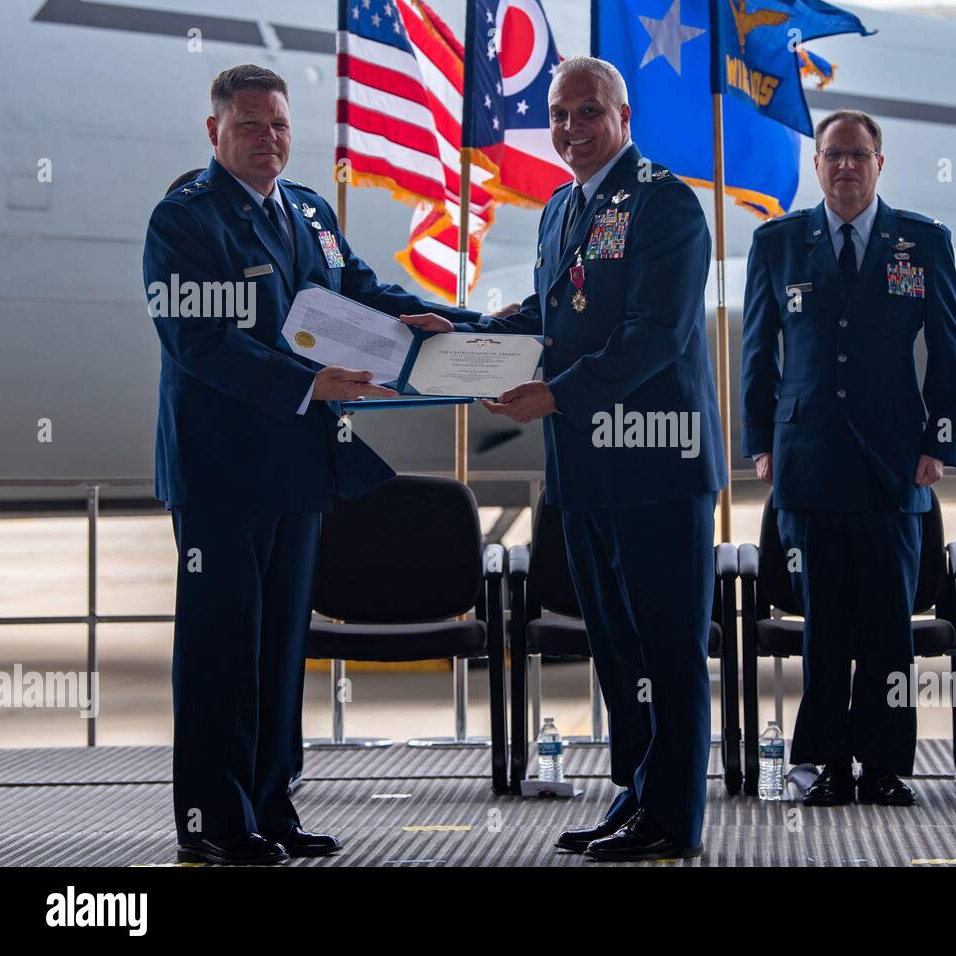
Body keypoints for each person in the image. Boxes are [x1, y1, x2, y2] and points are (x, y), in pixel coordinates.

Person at [143, 64, 477, 864]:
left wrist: (441, 322)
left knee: (279, 644)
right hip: (222, 476)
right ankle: (214, 823)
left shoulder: (308, 213)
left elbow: (353, 292)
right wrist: (309, 382)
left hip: (297, 470)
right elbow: (200, 344)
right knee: (223, 647)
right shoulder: (186, 221)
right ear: (215, 132)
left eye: (280, 126)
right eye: (252, 126)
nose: (270, 140)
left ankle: (271, 807)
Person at [403, 56, 725, 861]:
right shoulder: (562, 208)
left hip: (656, 465)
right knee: (616, 645)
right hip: (585, 470)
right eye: (559, 115)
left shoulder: (666, 202)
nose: (571, 130)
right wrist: (466, 332)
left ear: (622, 113)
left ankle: (673, 818)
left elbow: (655, 335)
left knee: (666, 647)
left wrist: (557, 394)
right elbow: (548, 311)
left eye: (588, 113)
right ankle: (634, 793)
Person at [740, 110, 956, 806]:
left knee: (889, 626)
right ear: (818, 166)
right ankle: (827, 763)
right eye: (833, 155)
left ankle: (888, 764)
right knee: (827, 625)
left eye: (858, 155)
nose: (845, 166)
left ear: (879, 163)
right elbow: (756, 354)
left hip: (895, 463)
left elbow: (948, 349)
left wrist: (940, 442)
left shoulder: (922, 242)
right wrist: (760, 442)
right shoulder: (777, 244)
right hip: (807, 462)